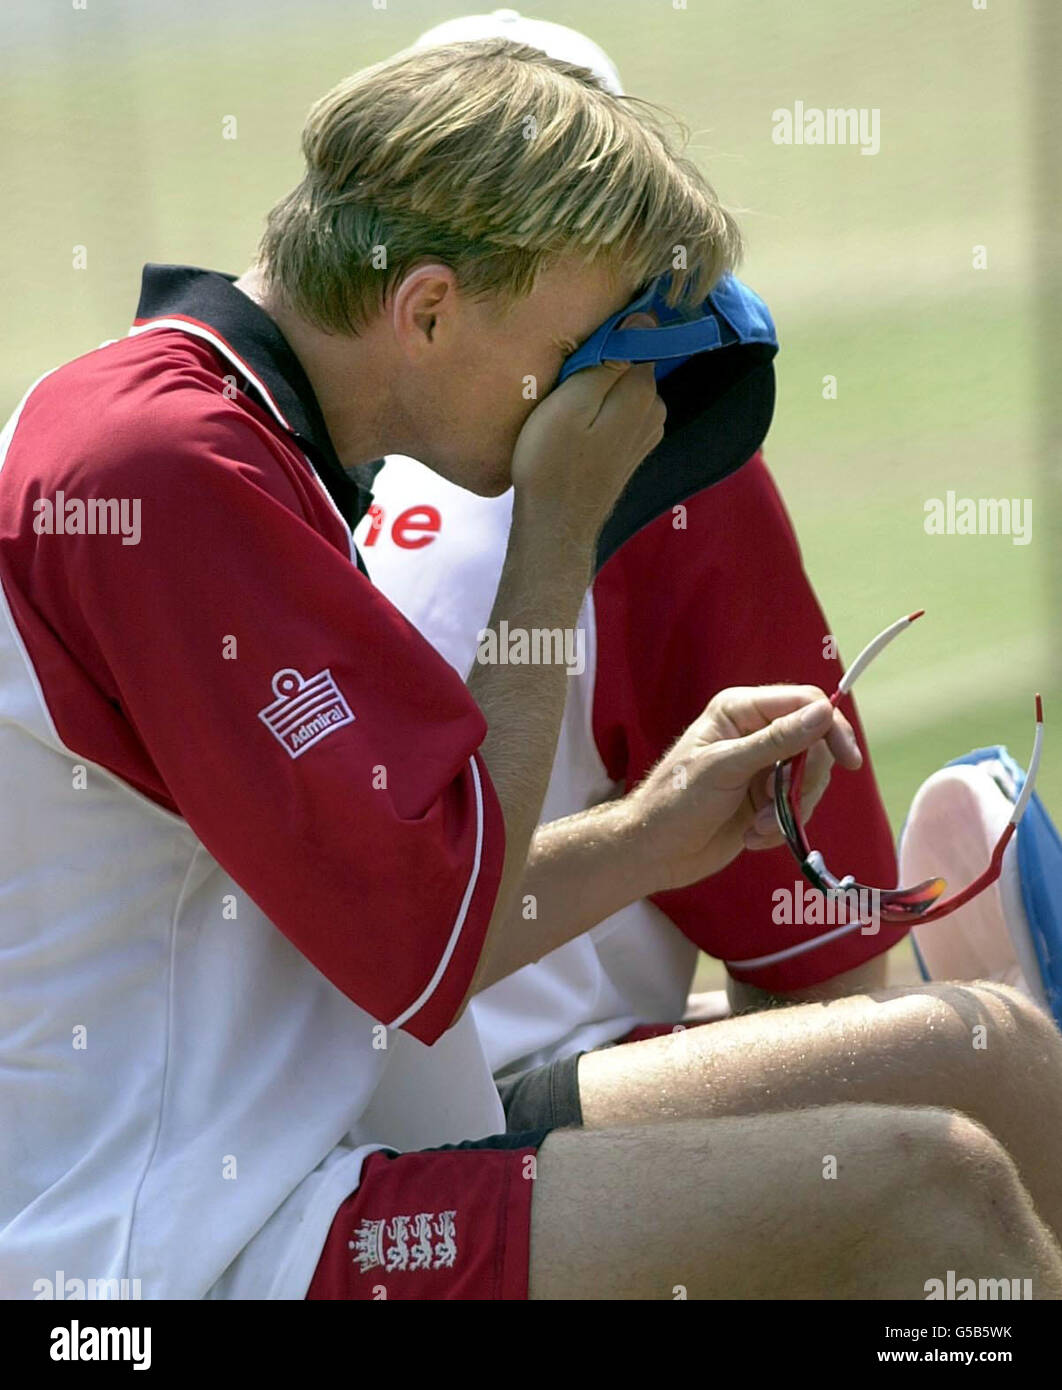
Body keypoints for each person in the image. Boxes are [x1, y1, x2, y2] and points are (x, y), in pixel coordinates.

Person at [3, 38, 1061, 1302]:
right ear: (431, 309)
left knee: (1000, 1067)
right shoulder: (159, 465)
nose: (600, 388)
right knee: (930, 1190)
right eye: (580, 343)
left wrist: (654, 835)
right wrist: (556, 532)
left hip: (306, 1152)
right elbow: (430, 933)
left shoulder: (226, 439)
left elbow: (399, 913)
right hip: (175, 1251)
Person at [362, 13, 902, 1098]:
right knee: (974, 1059)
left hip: (251, 1128)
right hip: (505, 1124)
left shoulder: (250, 448)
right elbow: (824, 963)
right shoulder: (668, 472)